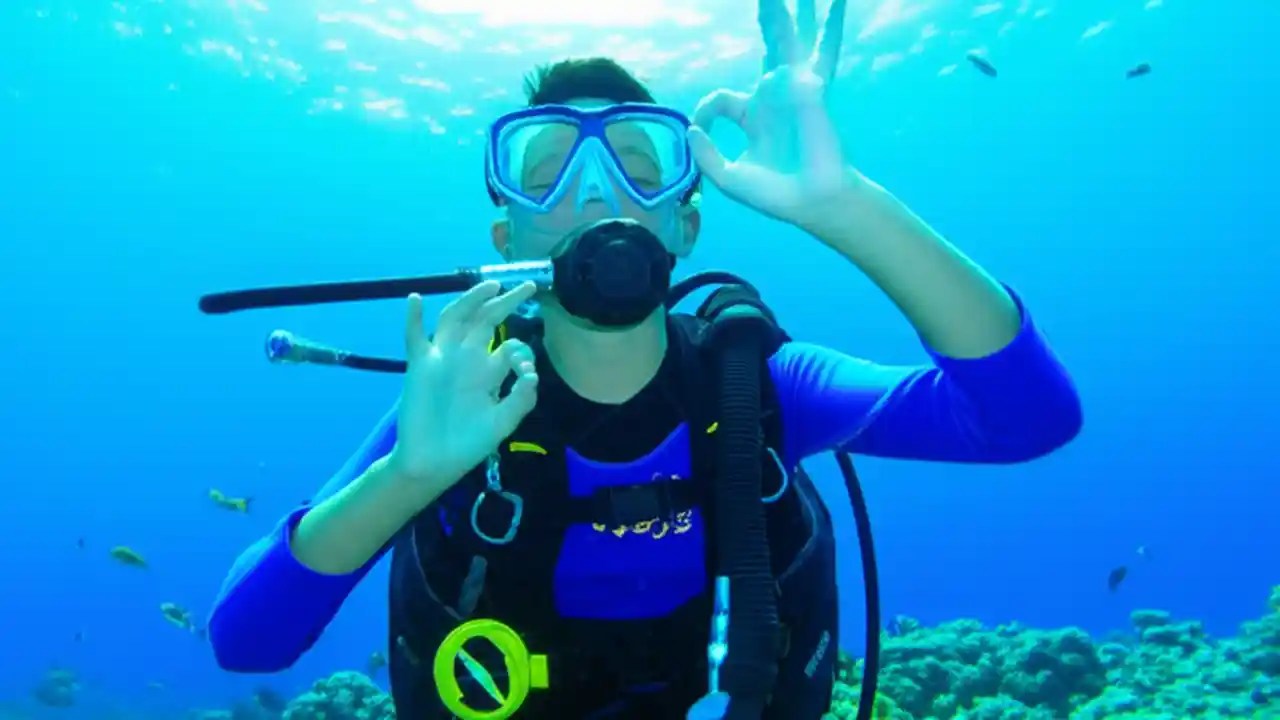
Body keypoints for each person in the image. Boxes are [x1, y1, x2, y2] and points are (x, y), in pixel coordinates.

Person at [206, 2, 1082, 718]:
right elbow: (246, 642)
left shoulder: (761, 385)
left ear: (684, 223)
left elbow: (1029, 419)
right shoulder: (459, 412)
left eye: (638, 161)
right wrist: (408, 477)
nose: (592, 191)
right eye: (544, 166)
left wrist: (844, 205)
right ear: (506, 237)